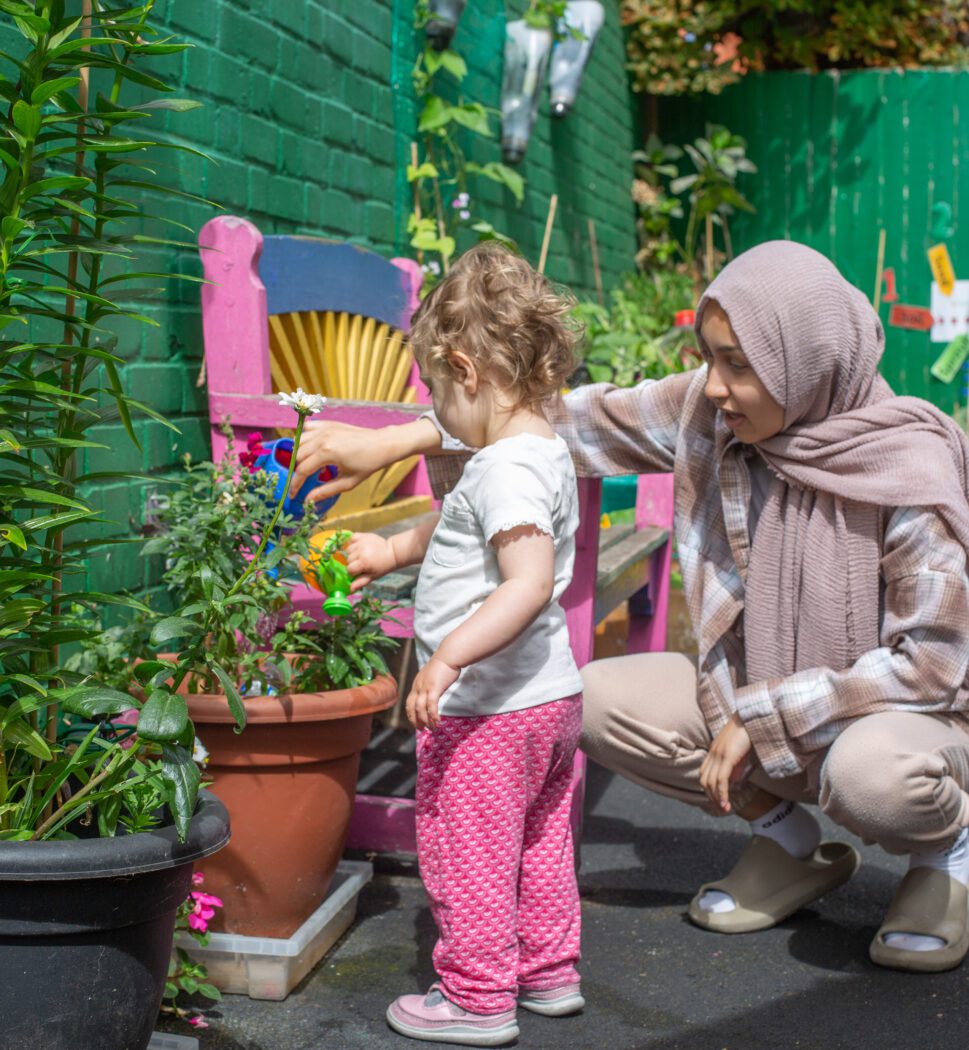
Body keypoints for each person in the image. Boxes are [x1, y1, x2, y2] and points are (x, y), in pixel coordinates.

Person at [293, 240, 969, 976]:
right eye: (709, 359)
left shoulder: (908, 466)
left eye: (738, 365)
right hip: (763, 705)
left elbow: (929, 666)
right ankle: (788, 843)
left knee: (870, 774)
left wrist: (763, 714)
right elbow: (549, 415)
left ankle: (948, 855)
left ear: (803, 362)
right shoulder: (712, 413)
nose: (714, 385)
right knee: (579, 698)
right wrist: (393, 440)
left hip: (899, 722)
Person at [340, 243, 586, 1046]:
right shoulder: (537, 449)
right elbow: (462, 529)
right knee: (539, 843)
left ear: (464, 370)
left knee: (469, 850)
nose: (437, 414)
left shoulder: (505, 468)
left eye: (437, 394)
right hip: (548, 701)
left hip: (489, 710)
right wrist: (391, 550)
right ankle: (547, 971)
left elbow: (525, 581)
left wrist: (446, 659)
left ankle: (478, 998)